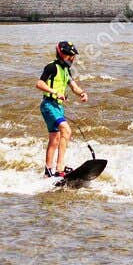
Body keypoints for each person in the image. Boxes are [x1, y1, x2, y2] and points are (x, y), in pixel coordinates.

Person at [34, 40, 87, 177]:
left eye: (73, 56)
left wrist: (82, 93)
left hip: (58, 107)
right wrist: (54, 92)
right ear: (62, 54)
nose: (72, 58)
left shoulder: (66, 70)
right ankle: (60, 168)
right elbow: (39, 84)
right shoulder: (51, 67)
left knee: (55, 139)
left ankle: (47, 171)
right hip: (48, 105)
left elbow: (74, 86)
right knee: (66, 130)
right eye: (70, 55)